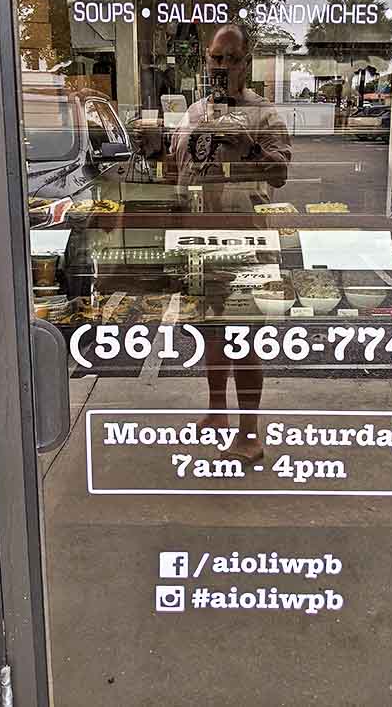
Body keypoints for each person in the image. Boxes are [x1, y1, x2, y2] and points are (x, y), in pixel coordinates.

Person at [170, 23, 292, 463]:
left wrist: (250, 148)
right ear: (207, 59)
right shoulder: (193, 112)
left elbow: (280, 174)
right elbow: (176, 169)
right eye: (215, 58)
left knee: (245, 339)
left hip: (246, 243)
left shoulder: (264, 115)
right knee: (210, 332)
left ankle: (249, 433)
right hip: (199, 241)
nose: (221, 66)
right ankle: (217, 410)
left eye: (231, 59)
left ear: (246, 63)